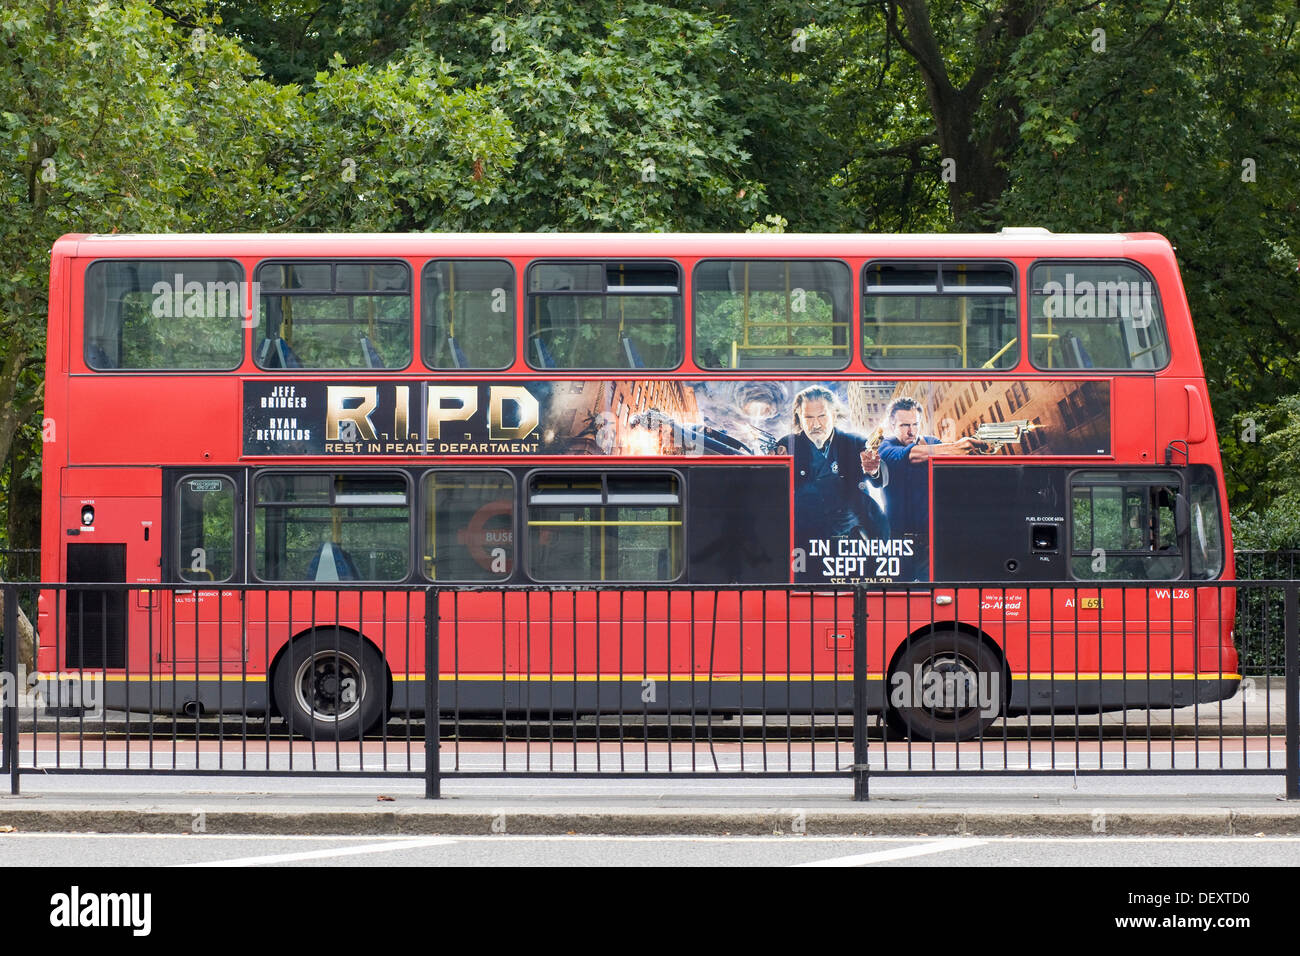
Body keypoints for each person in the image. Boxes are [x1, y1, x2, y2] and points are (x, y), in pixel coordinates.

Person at [777, 386, 890, 578]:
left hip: (853, 543)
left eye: (822, 416)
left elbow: (881, 479)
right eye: (808, 418)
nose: (816, 424)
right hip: (806, 543)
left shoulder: (854, 442)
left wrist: (873, 469)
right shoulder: (787, 445)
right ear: (799, 418)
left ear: (834, 415)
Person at [878, 396, 985, 580]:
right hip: (897, 543)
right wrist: (957, 447)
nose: (911, 431)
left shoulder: (932, 443)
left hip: (932, 541)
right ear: (892, 424)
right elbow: (912, 456)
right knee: (898, 598)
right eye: (904, 425)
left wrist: (973, 449)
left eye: (915, 424)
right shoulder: (885, 447)